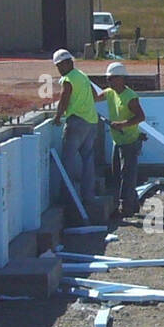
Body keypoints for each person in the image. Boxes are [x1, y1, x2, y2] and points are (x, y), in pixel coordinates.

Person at [51, 48, 100, 213]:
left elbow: (64, 97)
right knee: (88, 160)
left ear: (66, 63)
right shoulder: (82, 75)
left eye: (59, 66)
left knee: (68, 160)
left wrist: (58, 117)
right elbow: (94, 95)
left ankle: (69, 197)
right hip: (92, 121)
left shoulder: (69, 78)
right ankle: (88, 196)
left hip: (76, 122)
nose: (59, 69)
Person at [102, 61, 146, 218]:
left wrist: (122, 124)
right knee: (119, 174)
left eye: (111, 78)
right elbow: (93, 97)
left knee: (127, 175)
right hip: (118, 141)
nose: (109, 81)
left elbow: (141, 117)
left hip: (130, 141)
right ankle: (132, 205)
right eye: (108, 79)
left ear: (121, 78)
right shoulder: (110, 92)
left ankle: (126, 208)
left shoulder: (130, 97)